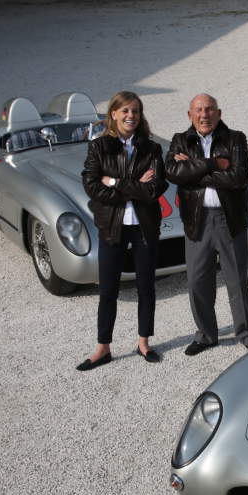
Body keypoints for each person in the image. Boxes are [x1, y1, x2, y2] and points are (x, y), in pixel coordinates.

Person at [77, 90, 168, 371]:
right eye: (125, 110)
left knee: (146, 287)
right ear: (114, 114)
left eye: (135, 111)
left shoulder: (152, 149)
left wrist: (115, 182)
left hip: (144, 227)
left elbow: (155, 189)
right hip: (111, 227)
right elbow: (92, 186)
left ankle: (143, 343)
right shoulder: (99, 147)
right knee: (108, 290)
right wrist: (135, 184)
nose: (131, 116)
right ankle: (103, 347)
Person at [166, 94, 248, 353]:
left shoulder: (235, 139)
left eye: (209, 109)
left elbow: (239, 177)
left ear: (218, 113)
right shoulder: (180, 140)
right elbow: (173, 173)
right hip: (197, 220)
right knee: (197, 281)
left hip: (229, 219)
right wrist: (213, 164)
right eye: (198, 110)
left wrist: (193, 172)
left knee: (236, 280)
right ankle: (206, 335)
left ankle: (247, 333)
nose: (204, 115)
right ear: (190, 115)